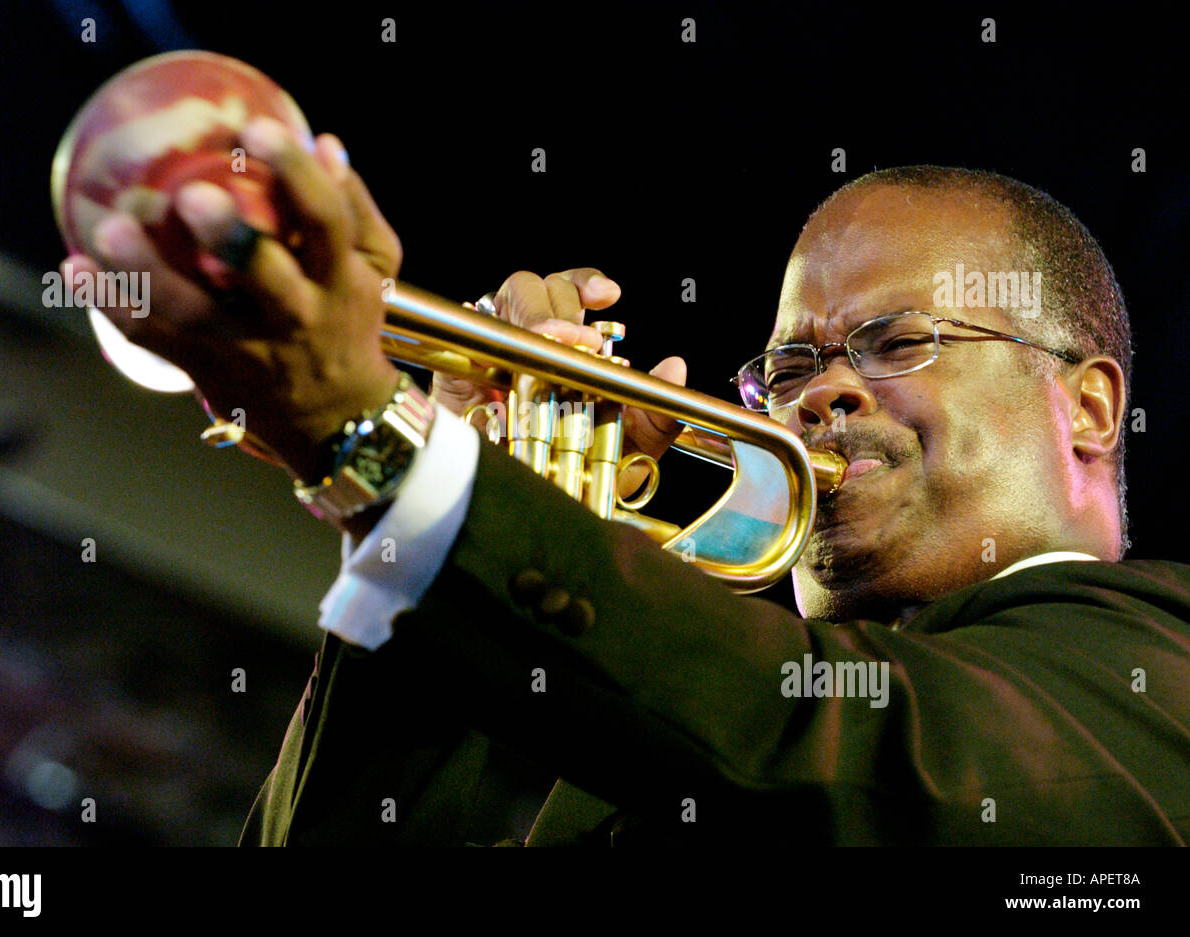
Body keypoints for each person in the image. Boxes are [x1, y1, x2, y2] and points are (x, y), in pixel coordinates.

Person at [62, 117, 1190, 845]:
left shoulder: (1151, 670)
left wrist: (383, 447)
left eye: (897, 343)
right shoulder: (642, 768)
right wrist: (433, 511)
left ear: (1088, 405)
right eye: (791, 365)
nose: (821, 395)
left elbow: (845, 752)